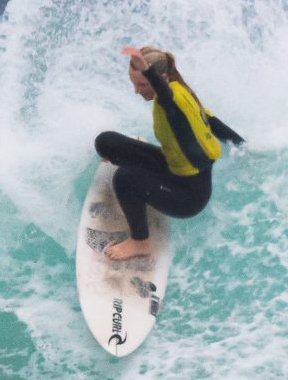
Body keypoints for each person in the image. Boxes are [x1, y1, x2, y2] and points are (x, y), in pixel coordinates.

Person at [94, 45, 244, 261]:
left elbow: (165, 95)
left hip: (188, 196)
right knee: (106, 142)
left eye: (142, 84)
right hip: (171, 166)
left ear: (160, 79)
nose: (136, 90)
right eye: (134, 83)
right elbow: (213, 122)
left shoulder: (172, 100)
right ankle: (142, 188)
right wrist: (242, 146)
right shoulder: (181, 89)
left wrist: (147, 70)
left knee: (124, 178)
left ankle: (140, 243)